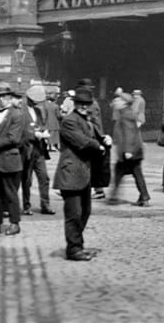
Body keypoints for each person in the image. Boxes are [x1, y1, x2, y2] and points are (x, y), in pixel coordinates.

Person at [54, 86, 111, 261]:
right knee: (74, 214)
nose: (84, 106)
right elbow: (82, 142)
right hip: (71, 174)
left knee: (85, 212)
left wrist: (105, 138)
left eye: (87, 104)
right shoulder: (69, 121)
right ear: (75, 103)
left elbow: (95, 136)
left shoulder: (87, 120)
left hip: (84, 174)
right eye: (80, 103)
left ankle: (77, 245)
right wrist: (99, 146)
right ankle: (73, 249)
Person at [0, 83, 28, 235]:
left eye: (3, 96)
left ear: (9, 97)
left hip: (9, 160)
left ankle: (15, 224)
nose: (1, 99)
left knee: (10, 194)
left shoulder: (17, 114)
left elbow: (13, 139)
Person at [108, 91, 151, 206]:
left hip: (130, 151)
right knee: (133, 173)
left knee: (123, 172)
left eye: (118, 100)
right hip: (133, 150)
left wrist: (128, 150)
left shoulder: (126, 115)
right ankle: (143, 197)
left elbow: (129, 133)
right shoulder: (125, 113)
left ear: (124, 103)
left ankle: (114, 196)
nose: (115, 102)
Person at [21, 84, 56, 216]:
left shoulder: (38, 111)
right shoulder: (21, 111)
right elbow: (21, 130)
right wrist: (34, 134)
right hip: (27, 149)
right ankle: (26, 205)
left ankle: (45, 205)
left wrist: (43, 131)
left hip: (39, 150)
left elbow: (41, 125)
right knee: (27, 179)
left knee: (44, 177)